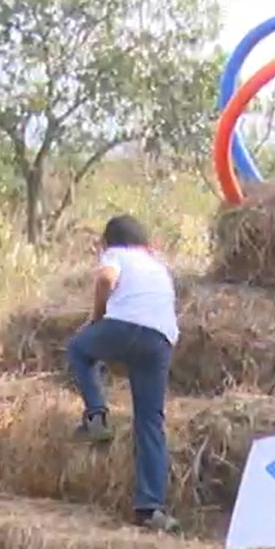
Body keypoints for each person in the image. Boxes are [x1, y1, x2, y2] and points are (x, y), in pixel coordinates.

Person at [64, 215, 181, 533]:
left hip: (125, 325)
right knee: (150, 422)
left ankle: (97, 416)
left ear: (108, 242)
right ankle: (150, 508)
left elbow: (105, 279)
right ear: (146, 242)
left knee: (78, 349)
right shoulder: (158, 265)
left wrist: (97, 318)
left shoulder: (116, 254)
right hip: (160, 340)